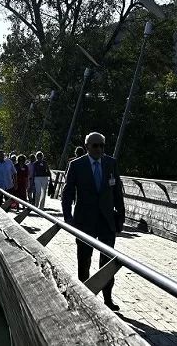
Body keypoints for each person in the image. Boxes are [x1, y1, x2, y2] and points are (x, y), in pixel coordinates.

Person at [61, 132, 125, 312]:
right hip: (84, 220)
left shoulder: (111, 163)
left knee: (108, 262)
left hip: (106, 220)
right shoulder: (76, 165)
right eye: (95, 145)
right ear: (87, 146)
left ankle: (108, 299)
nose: (99, 149)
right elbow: (67, 192)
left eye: (102, 146)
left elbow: (117, 192)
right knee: (84, 260)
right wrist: (68, 217)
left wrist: (120, 217)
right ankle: (85, 298)